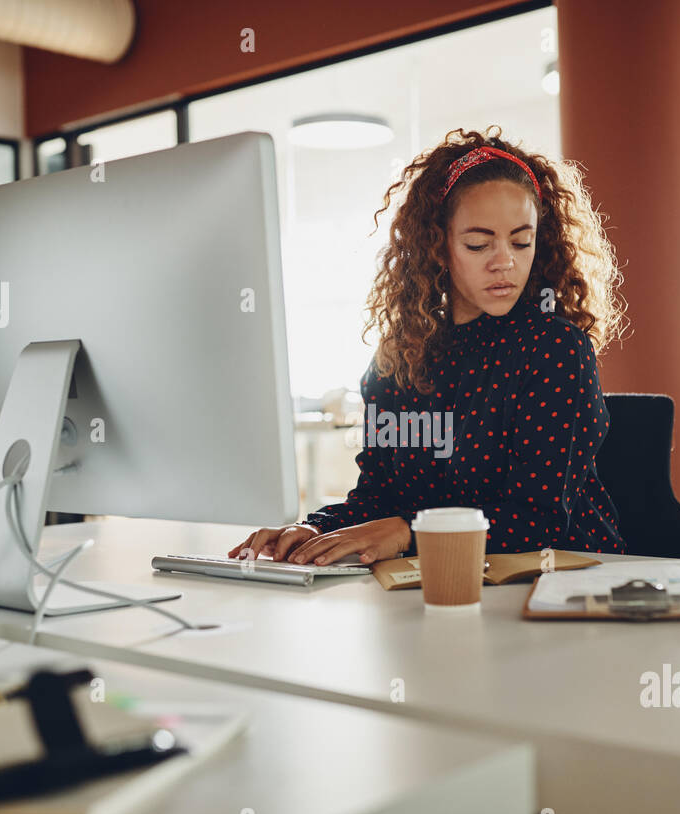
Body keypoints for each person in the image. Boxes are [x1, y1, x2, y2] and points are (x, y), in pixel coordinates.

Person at [231, 126, 629, 566]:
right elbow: (378, 497)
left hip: (561, 582)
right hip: (440, 578)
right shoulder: (397, 359)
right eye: (478, 243)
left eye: (522, 240)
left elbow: (539, 519)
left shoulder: (553, 348)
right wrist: (314, 528)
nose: (505, 262)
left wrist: (407, 531)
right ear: (437, 245)